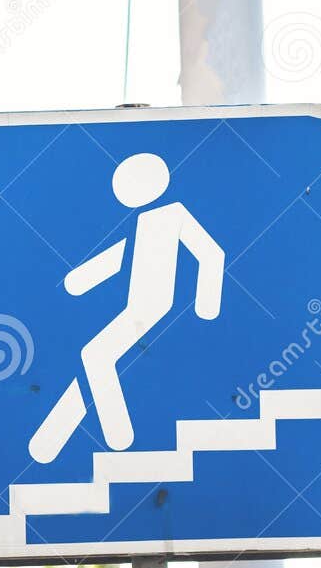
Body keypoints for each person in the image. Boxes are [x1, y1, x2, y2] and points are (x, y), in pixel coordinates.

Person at [28, 151, 224, 463]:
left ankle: (117, 436)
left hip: (153, 306)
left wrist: (207, 306)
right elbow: (120, 257)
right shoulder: (140, 221)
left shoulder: (174, 213)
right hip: (134, 305)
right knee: (96, 358)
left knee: (96, 355)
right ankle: (51, 439)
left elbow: (211, 254)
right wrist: (79, 280)